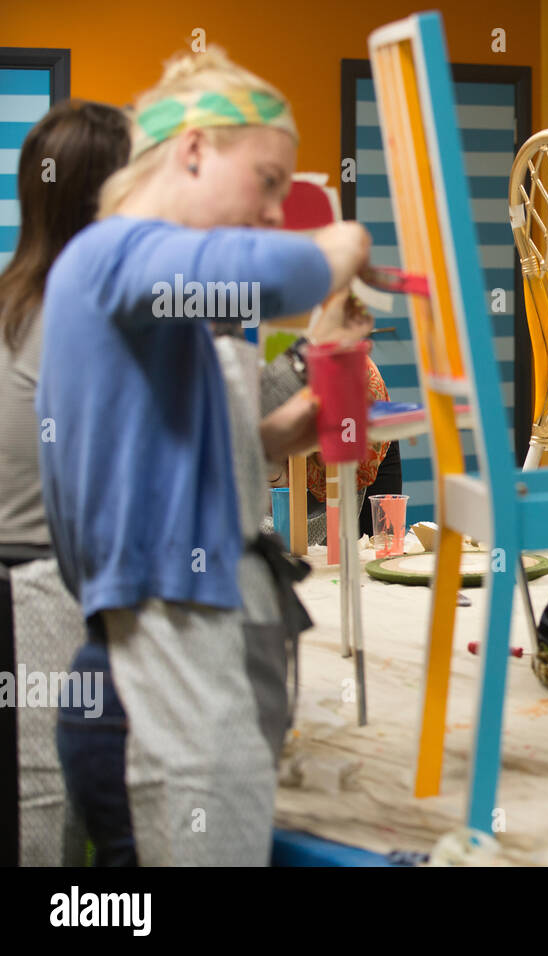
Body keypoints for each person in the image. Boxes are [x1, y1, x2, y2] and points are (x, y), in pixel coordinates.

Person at [37, 47, 372, 865]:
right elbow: (268, 276)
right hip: (154, 678)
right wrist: (342, 245)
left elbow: (163, 455)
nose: (274, 212)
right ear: (192, 150)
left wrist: (283, 429)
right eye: (267, 181)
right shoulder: (112, 254)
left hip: (184, 658)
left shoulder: (151, 291)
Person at [0, 99, 131, 867]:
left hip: (32, 586)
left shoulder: (15, 297)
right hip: (38, 600)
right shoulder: (82, 316)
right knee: (46, 824)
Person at [262, 290, 399, 544]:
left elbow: (355, 479)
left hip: (360, 454)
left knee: (372, 544)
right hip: (293, 454)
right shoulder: (270, 379)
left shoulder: (361, 383)